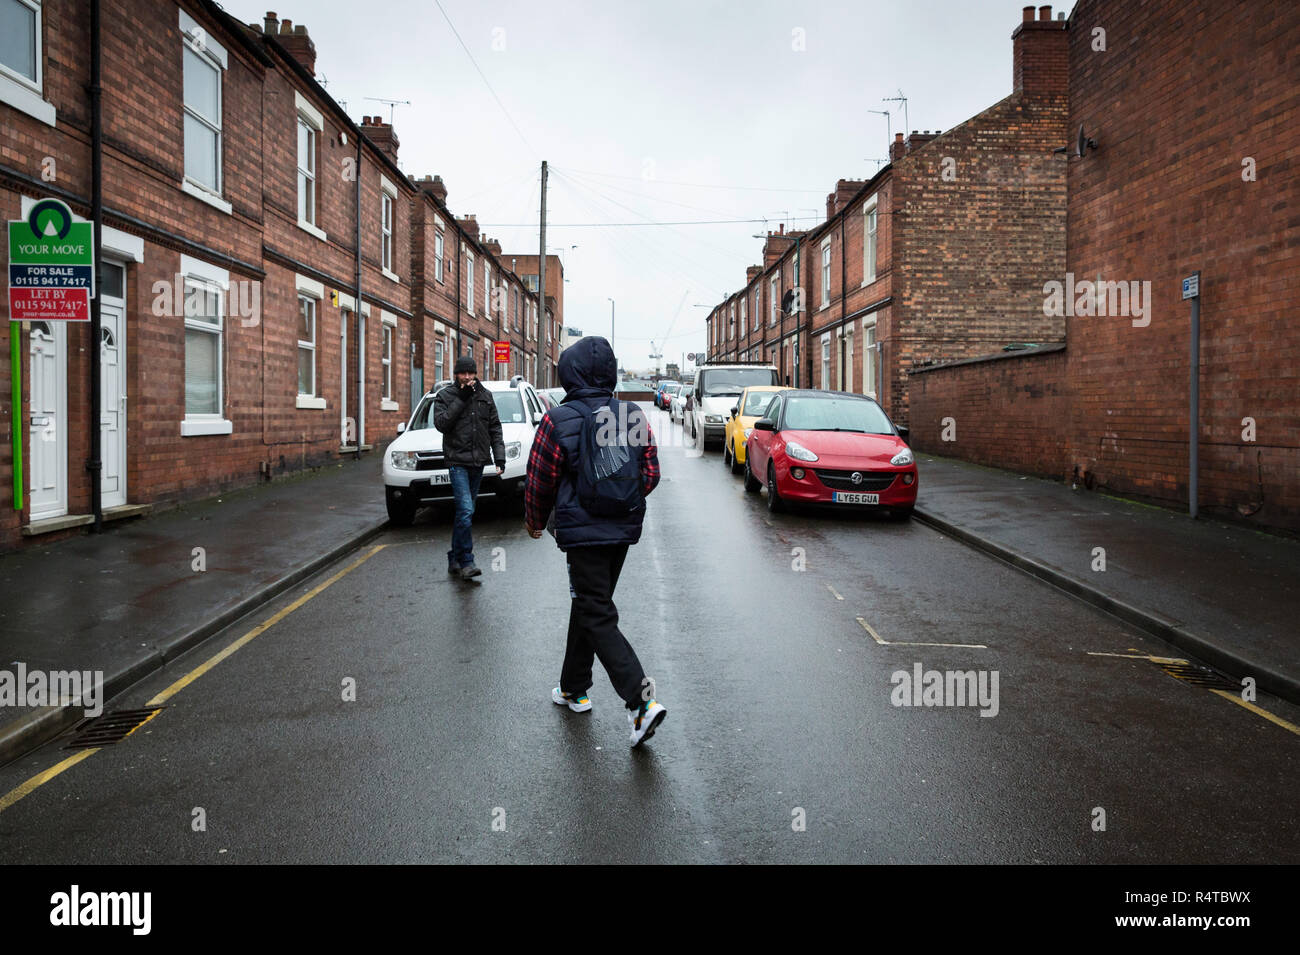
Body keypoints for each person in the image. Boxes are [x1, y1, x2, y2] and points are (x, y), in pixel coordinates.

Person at [524, 336, 667, 748]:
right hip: (621, 531)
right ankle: (573, 687)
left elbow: (539, 481)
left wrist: (535, 522)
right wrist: (621, 501)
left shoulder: (557, 419)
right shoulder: (632, 414)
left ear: (571, 373)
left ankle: (641, 703)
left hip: (582, 535)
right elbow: (651, 473)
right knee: (590, 603)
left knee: (595, 609)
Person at [433, 355, 505, 580]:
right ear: (456, 374)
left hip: (478, 461)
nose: (466, 377)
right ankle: (467, 561)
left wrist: (499, 458)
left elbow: (495, 428)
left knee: (466, 511)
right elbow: (441, 424)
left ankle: (454, 556)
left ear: (475, 373)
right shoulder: (445, 396)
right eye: (462, 373)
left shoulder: (485, 395)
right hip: (457, 462)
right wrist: (462, 398)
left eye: (470, 373)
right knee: (465, 510)